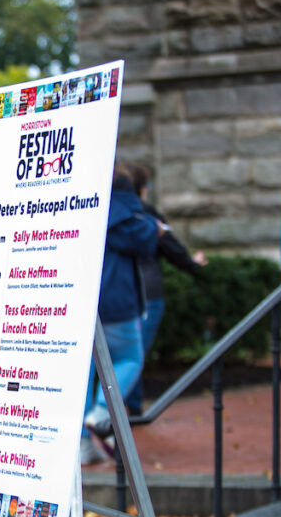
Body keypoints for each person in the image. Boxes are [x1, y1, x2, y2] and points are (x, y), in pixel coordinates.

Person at [81, 165, 161, 464]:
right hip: (118, 303)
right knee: (130, 358)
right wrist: (156, 227)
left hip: (83, 304)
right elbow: (149, 235)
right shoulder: (132, 222)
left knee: (83, 375)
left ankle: (83, 445)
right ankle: (103, 411)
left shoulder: (83, 211)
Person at [124, 162, 208, 416]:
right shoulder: (147, 215)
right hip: (147, 295)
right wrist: (193, 264)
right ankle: (109, 411)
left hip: (121, 294)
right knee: (132, 357)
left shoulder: (110, 213)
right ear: (143, 188)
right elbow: (172, 248)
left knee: (129, 355)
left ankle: (132, 410)